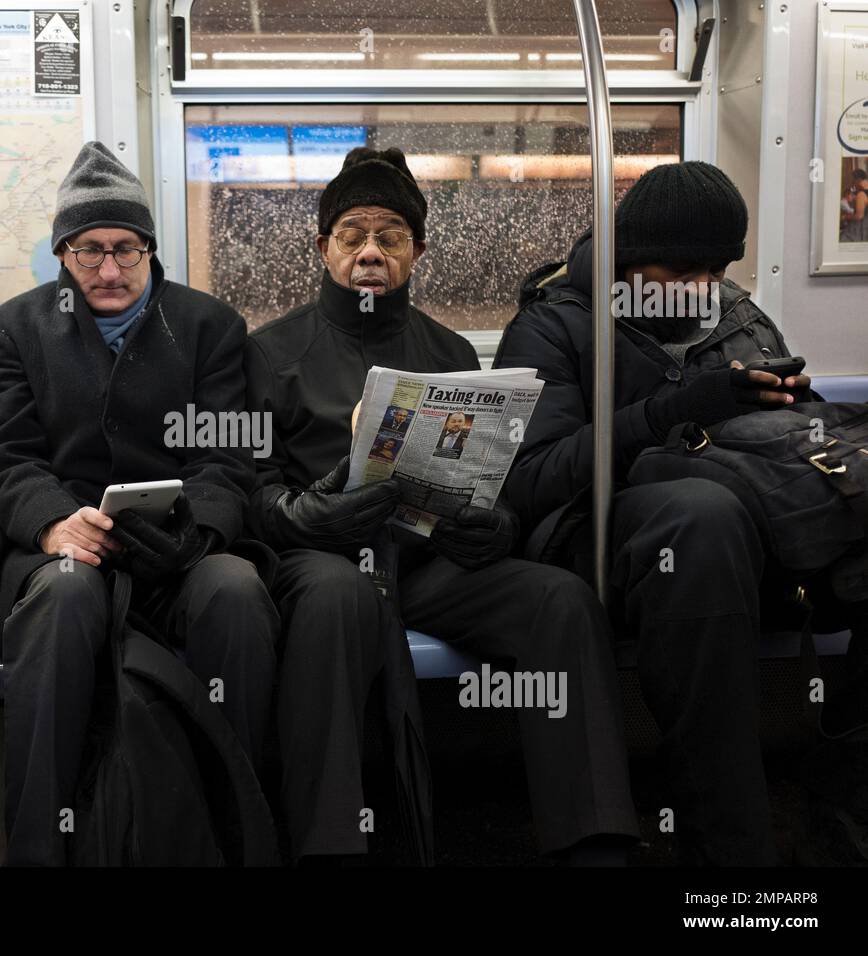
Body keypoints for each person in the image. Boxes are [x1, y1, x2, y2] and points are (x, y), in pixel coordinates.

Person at [246, 146, 639, 864]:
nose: (370, 252)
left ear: (417, 250)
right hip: (325, 561)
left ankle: (595, 841)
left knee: (560, 599)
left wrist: (496, 527)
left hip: (427, 562)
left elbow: (492, 479)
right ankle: (331, 845)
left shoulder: (452, 350)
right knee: (337, 597)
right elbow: (255, 490)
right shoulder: (270, 353)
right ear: (323, 246)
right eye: (352, 235)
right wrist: (300, 515)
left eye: (390, 236)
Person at [496, 160, 867, 864]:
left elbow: (784, 435)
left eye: (717, 267)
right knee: (699, 517)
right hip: (614, 545)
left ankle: (845, 815)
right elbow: (531, 480)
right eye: (682, 270)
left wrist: (796, 414)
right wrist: (669, 411)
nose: (703, 289)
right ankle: (729, 852)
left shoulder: (736, 315)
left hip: (755, 534)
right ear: (630, 263)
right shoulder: (555, 328)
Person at [0, 142, 279, 867]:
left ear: (149, 250)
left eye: (126, 250)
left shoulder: (208, 326)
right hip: (67, 554)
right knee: (67, 597)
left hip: (179, 551)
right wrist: (51, 523)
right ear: (63, 255)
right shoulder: (20, 328)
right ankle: (43, 845)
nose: (109, 270)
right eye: (89, 251)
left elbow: (226, 455)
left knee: (235, 590)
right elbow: (2, 456)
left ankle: (246, 833)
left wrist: (196, 531)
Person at [840, 168, 868, 243]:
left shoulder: (861, 194)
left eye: (853, 181)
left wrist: (846, 217)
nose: (853, 184)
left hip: (861, 229)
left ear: (858, 180)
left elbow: (859, 216)